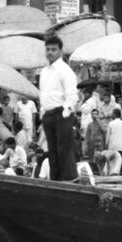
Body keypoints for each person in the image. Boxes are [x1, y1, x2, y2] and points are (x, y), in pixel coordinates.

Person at [39, 35, 79, 181]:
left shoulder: (65, 70)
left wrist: (65, 112)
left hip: (61, 114)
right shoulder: (44, 71)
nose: (50, 52)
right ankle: (55, 180)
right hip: (48, 114)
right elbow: (44, 92)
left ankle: (69, 179)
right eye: (48, 49)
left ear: (60, 51)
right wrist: (43, 111)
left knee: (64, 149)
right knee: (52, 150)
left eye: (53, 50)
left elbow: (72, 95)